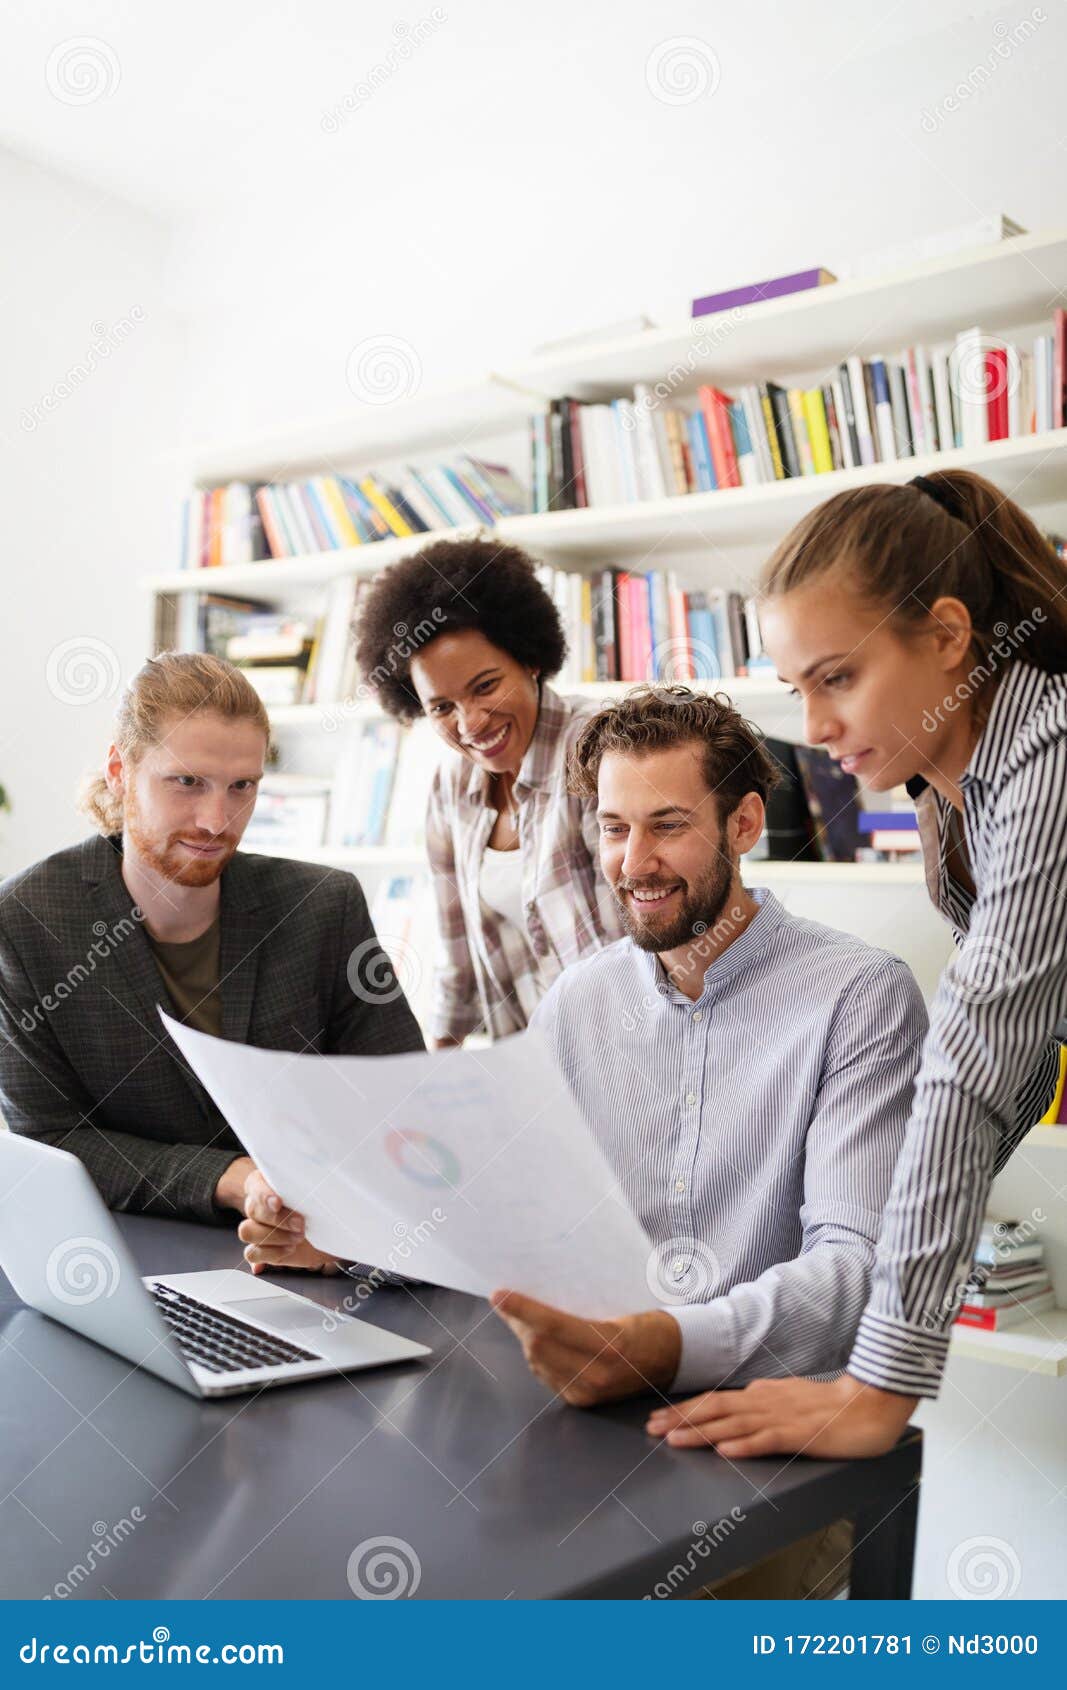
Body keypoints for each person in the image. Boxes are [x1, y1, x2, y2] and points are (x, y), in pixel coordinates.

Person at [647, 469, 1067, 1460]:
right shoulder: (945, 776)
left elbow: (971, 1068)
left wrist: (878, 1384)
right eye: (796, 688)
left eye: (836, 676)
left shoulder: (1047, 755)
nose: (814, 723)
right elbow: (1017, 1059)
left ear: (948, 636)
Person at [486, 686, 926, 1414]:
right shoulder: (577, 1000)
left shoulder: (859, 997)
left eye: (667, 825)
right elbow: (509, 1202)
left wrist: (671, 1345)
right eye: (614, 828)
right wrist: (356, 1241)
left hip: (766, 1431)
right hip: (586, 1405)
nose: (634, 863)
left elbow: (856, 1265)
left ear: (743, 823)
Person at [0, 653, 423, 1235]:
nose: (217, 820)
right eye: (187, 783)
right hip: (129, 1252)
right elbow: (48, 1141)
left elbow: (402, 1106)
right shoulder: (26, 921)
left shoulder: (324, 906)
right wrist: (232, 1178)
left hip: (319, 1247)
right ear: (120, 771)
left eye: (241, 786)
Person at [354, 536, 623, 1045]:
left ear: (530, 659)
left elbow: (647, 950)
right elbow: (458, 954)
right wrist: (440, 1058)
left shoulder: (600, 751)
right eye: (442, 707)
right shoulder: (450, 788)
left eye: (485, 686)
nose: (471, 722)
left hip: (633, 1058)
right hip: (529, 1067)